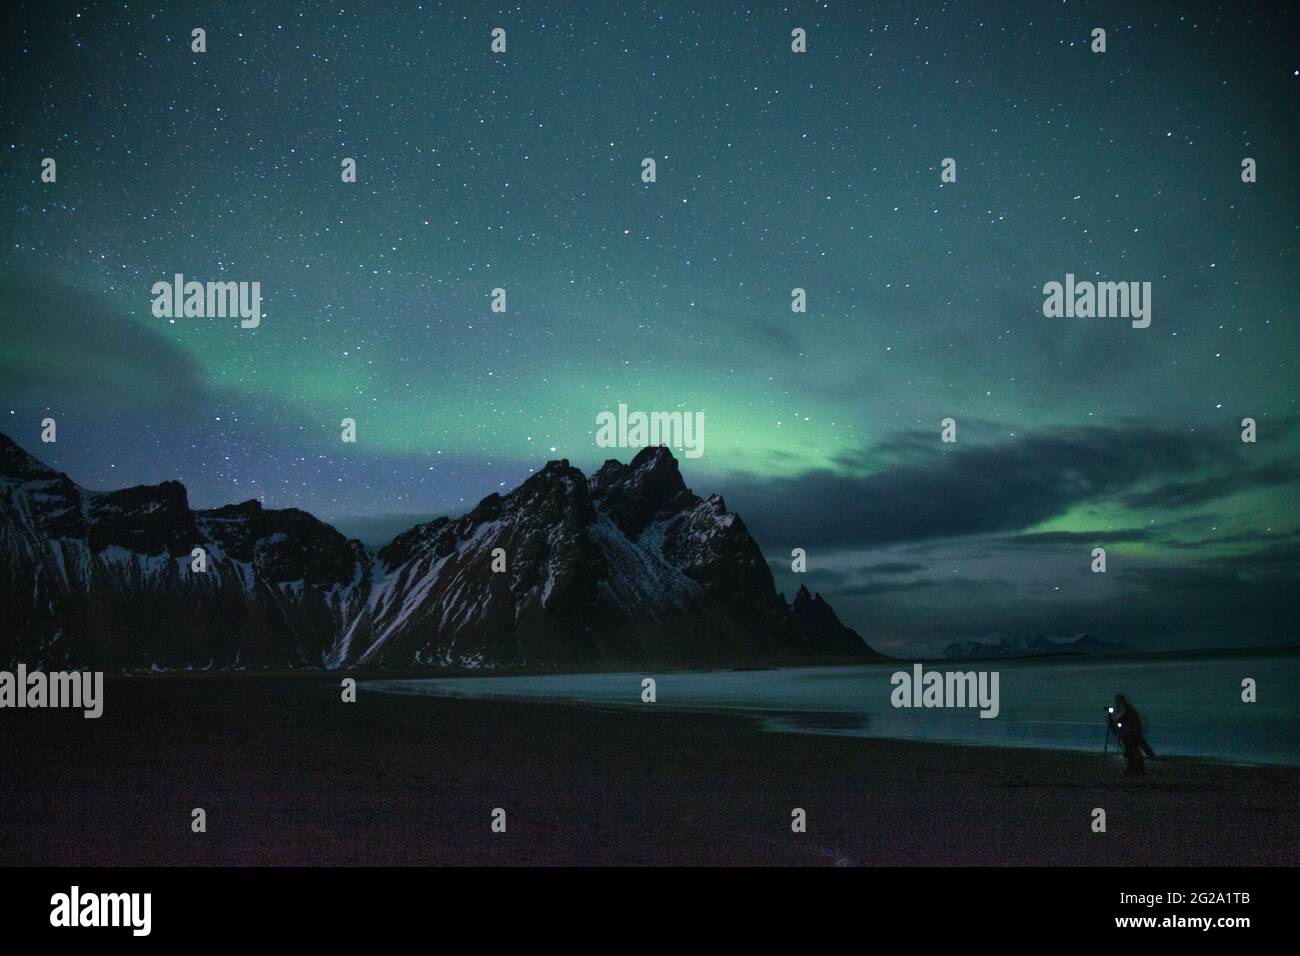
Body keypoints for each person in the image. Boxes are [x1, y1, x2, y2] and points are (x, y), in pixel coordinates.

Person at [1108, 694, 1156, 775]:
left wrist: (1114, 719)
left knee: (1131, 752)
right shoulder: (1128, 708)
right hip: (1132, 733)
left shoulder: (1127, 709)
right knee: (1133, 751)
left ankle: (1134, 769)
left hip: (1131, 733)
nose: (1116, 704)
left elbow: (1124, 720)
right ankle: (1137, 769)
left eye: (1117, 701)